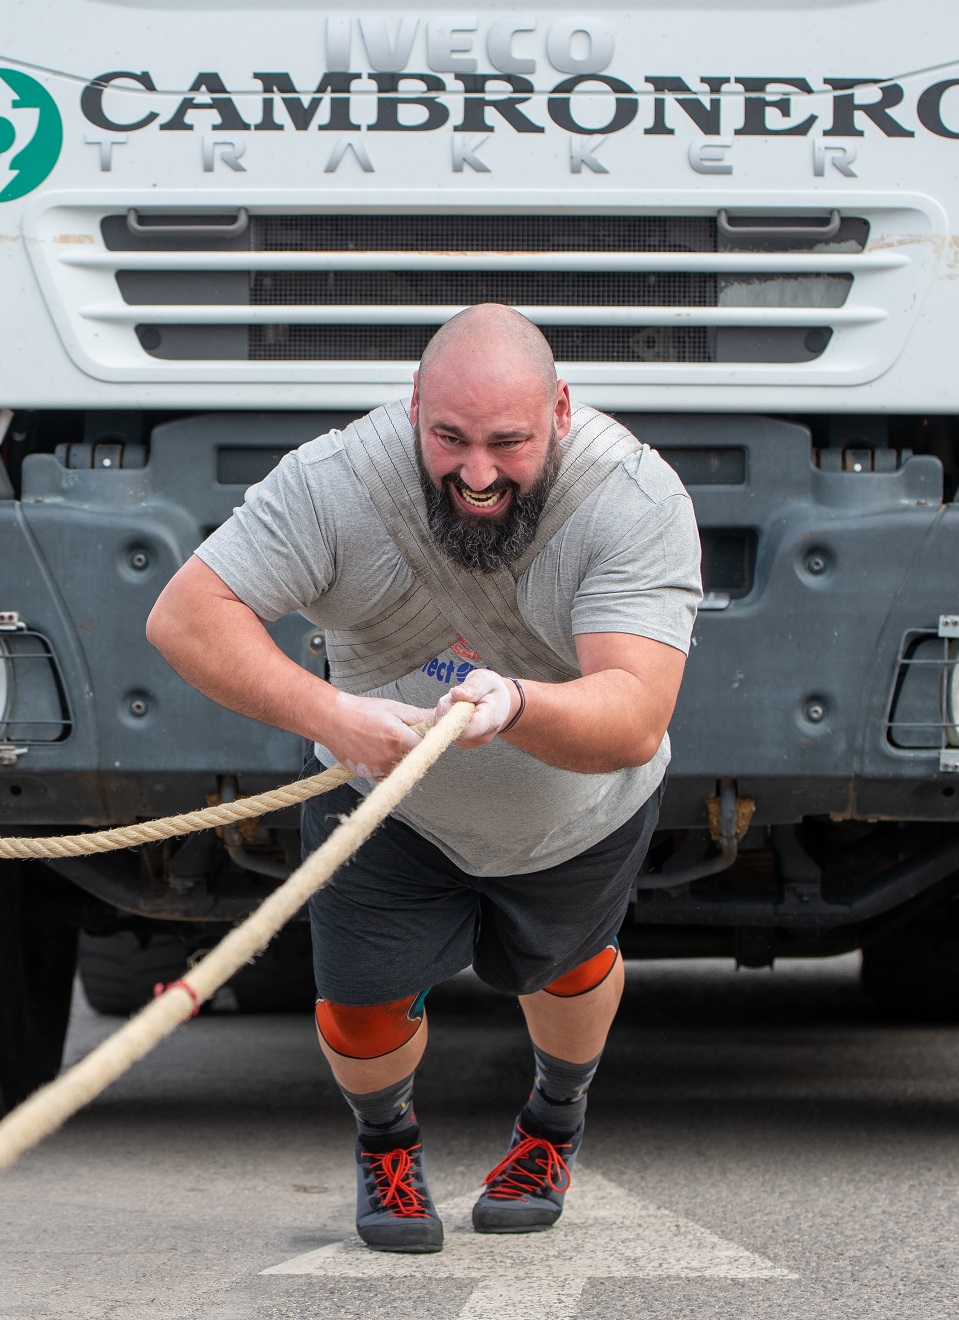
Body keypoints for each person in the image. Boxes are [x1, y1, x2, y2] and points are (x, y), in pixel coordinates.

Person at [147, 304, 700, 1252]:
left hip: (572, 815)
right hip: (382, 806)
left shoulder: (632, 499)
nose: (477, 474)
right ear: (413, 410)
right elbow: (187, 617)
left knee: (568, 975)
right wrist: (333, 719)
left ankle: (552, 1126)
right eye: (449, 438)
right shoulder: (336, 482)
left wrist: (519, 707)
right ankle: (386, 1144)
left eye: (508, 443)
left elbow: (637, 715)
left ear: (561, 412)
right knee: (357, 1013)